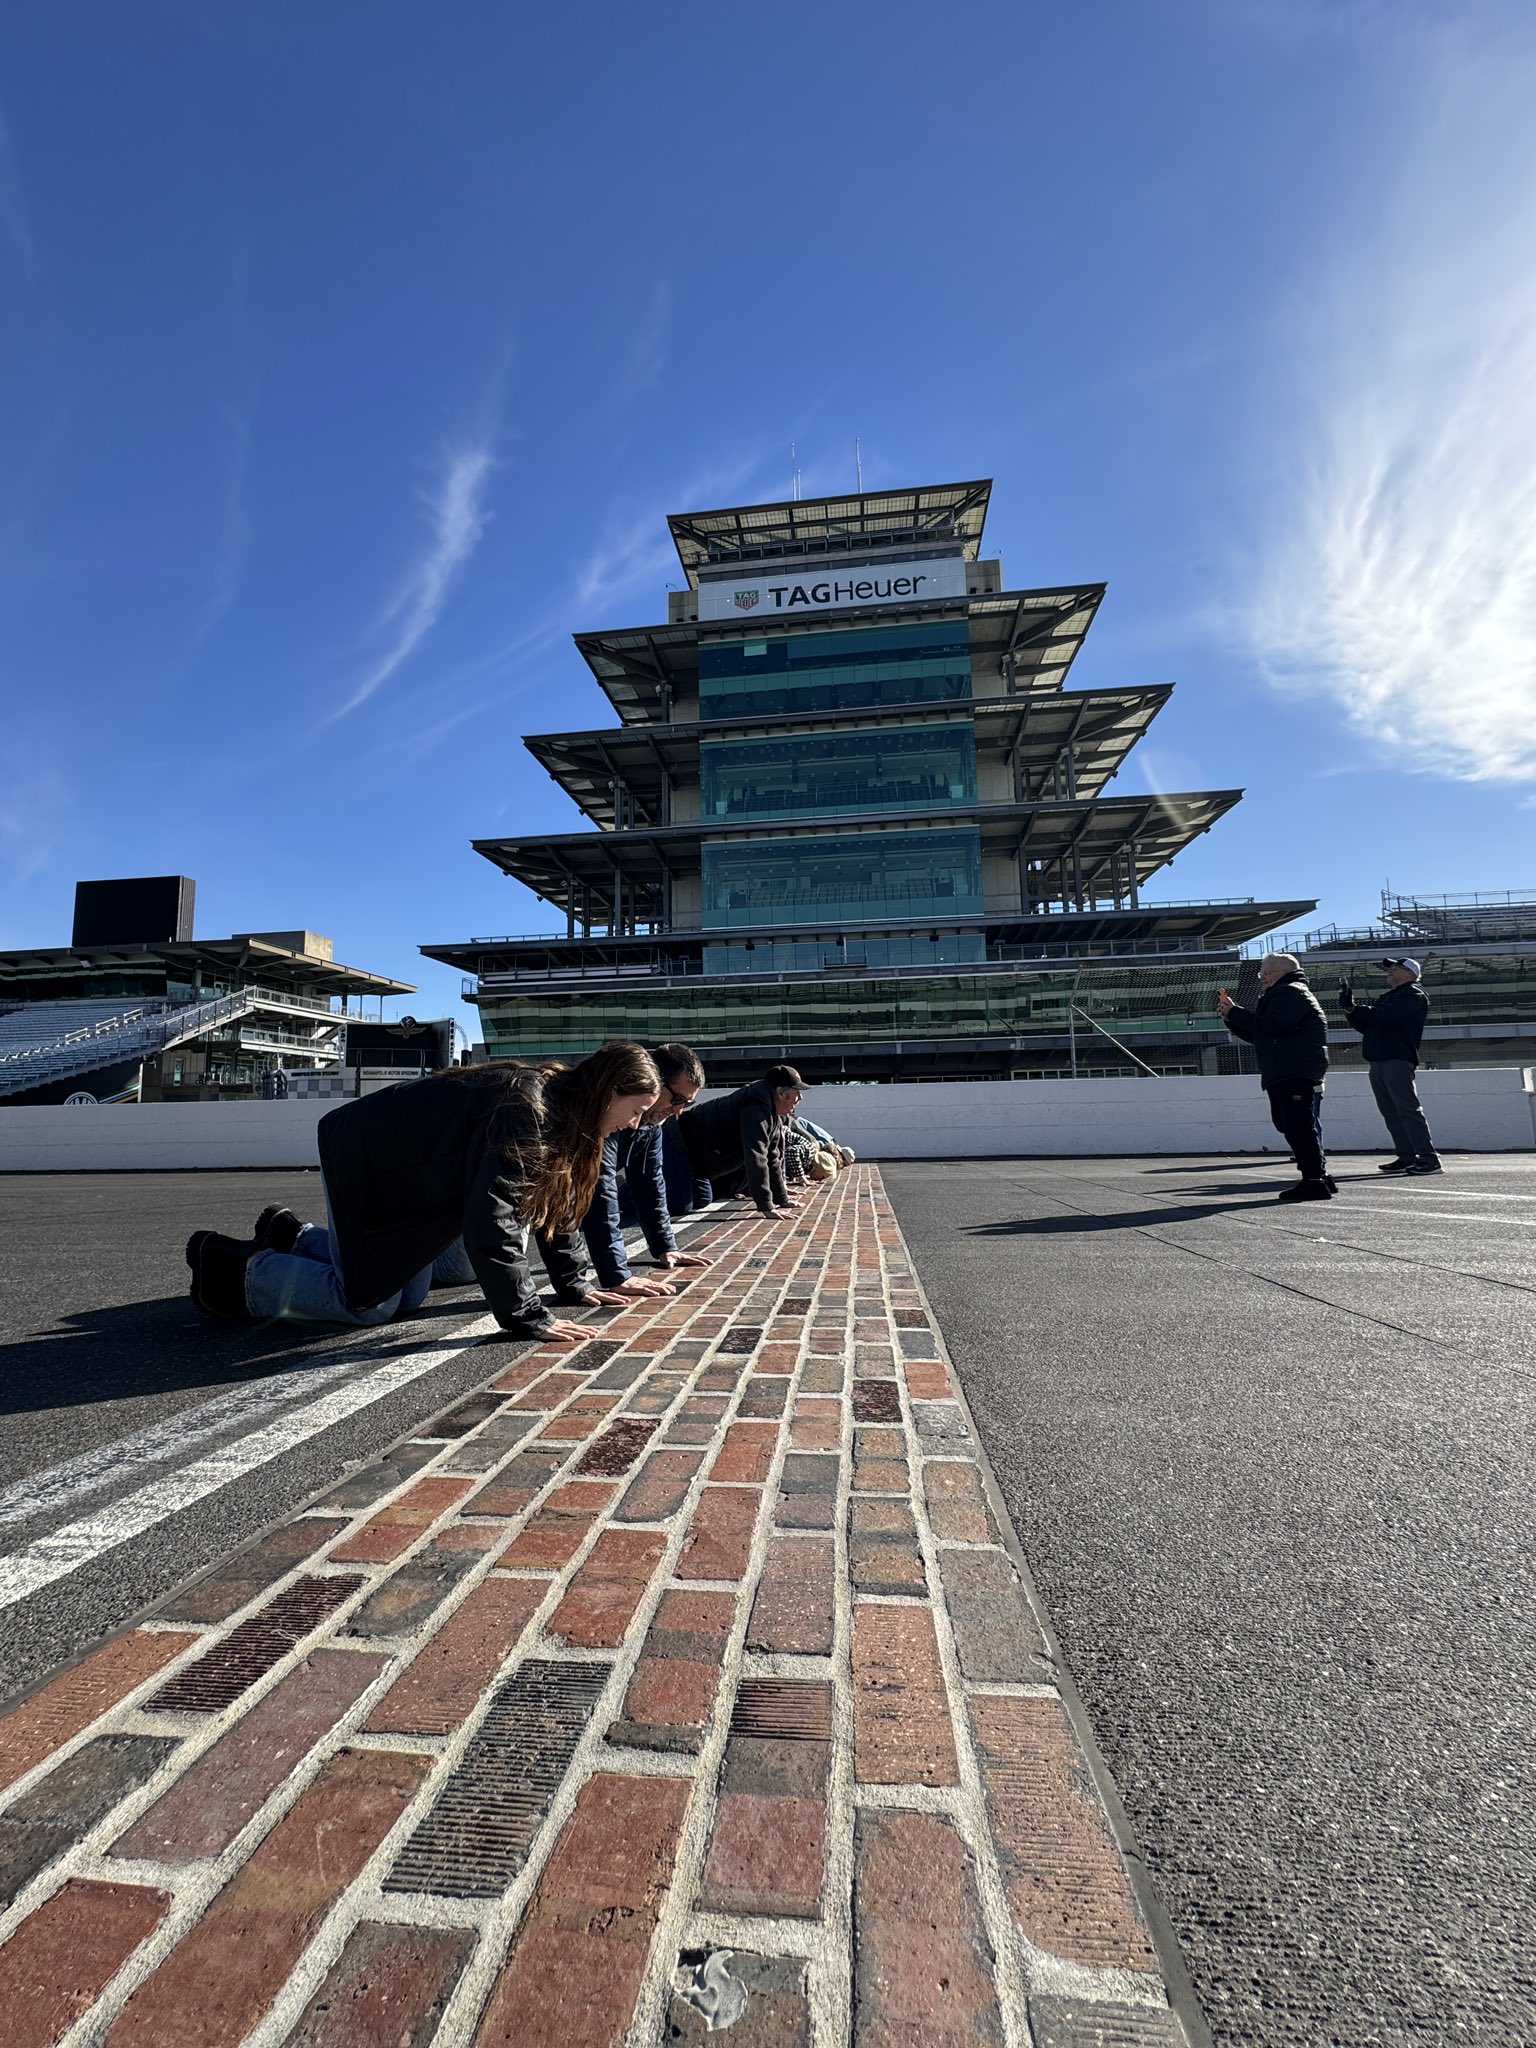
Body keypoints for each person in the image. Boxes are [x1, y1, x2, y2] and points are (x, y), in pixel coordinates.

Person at [184, 1042, 663, 1342]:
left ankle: (292, 1235)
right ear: (606, 1092)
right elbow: (493, 1220)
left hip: (416, 1177)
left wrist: (575, 1285)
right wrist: (527, 1316)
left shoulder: (567, 1115)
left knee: (411, 1292)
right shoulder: (532, 1112)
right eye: (637, 1109)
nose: (636, 1123)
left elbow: (556, 1212)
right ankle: (233, 1268)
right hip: (366, 1158)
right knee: (371, 1305)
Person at [583, 1042, 714, 1292]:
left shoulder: (653, 1122)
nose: (678, 1111)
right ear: (653, 1079)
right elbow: (600, 1190)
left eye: (686, 1104)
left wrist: (666, 1246)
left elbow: (650, 1183)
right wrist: (618, 1276)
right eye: (677, 1099)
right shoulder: (610, 1111)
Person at [1217, 955, 1334, 1202]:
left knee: (1297, 1125)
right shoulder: (1286, 993)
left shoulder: (1289, 993)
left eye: (1264, 974)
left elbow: (1273, 1026)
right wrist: (1232, 1018)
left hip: (1292, 1068)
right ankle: (1318, 1177)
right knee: (1291, 1124)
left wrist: (1236, 1013)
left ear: (1277, 972)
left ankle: (1314, 1180)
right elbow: (1262, 1033)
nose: (1262, 979)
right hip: (1287, 1068)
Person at [1340, 956, 1441, 1175]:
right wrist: (1351, 1010)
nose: (1390, 971)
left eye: (1396, 968)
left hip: (1396, 1059)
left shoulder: (1413, 995)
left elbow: (1385, 1017)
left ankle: (1428, 1157)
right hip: (1380, 1060)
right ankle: (1407, 1155)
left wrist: (1356, 1008)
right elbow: (1369, 1025)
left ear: (1411, 974)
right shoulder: (1391, 997)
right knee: (1391, 1111)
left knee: (1406, 1109)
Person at [675, 1064, 809, 1220]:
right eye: (797, 1092)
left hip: (699, 1162)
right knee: (679, 1206)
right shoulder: (756, 1108)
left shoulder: (772, 1115)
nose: (800, 1098)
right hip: (678, 1145)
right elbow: (756, 1157)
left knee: (701, 1200)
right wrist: (766, 1206)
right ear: (780, 1093)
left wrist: (782, 1199)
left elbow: (772, 1157)